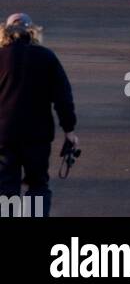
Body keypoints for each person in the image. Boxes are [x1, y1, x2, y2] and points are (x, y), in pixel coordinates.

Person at [0, 13, 77, 217]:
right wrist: (69, 130)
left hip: (3, 135)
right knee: (37, 184)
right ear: (32, 32)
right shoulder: (46, 57)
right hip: (37, 134)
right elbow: (63, 98)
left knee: (6, 186)